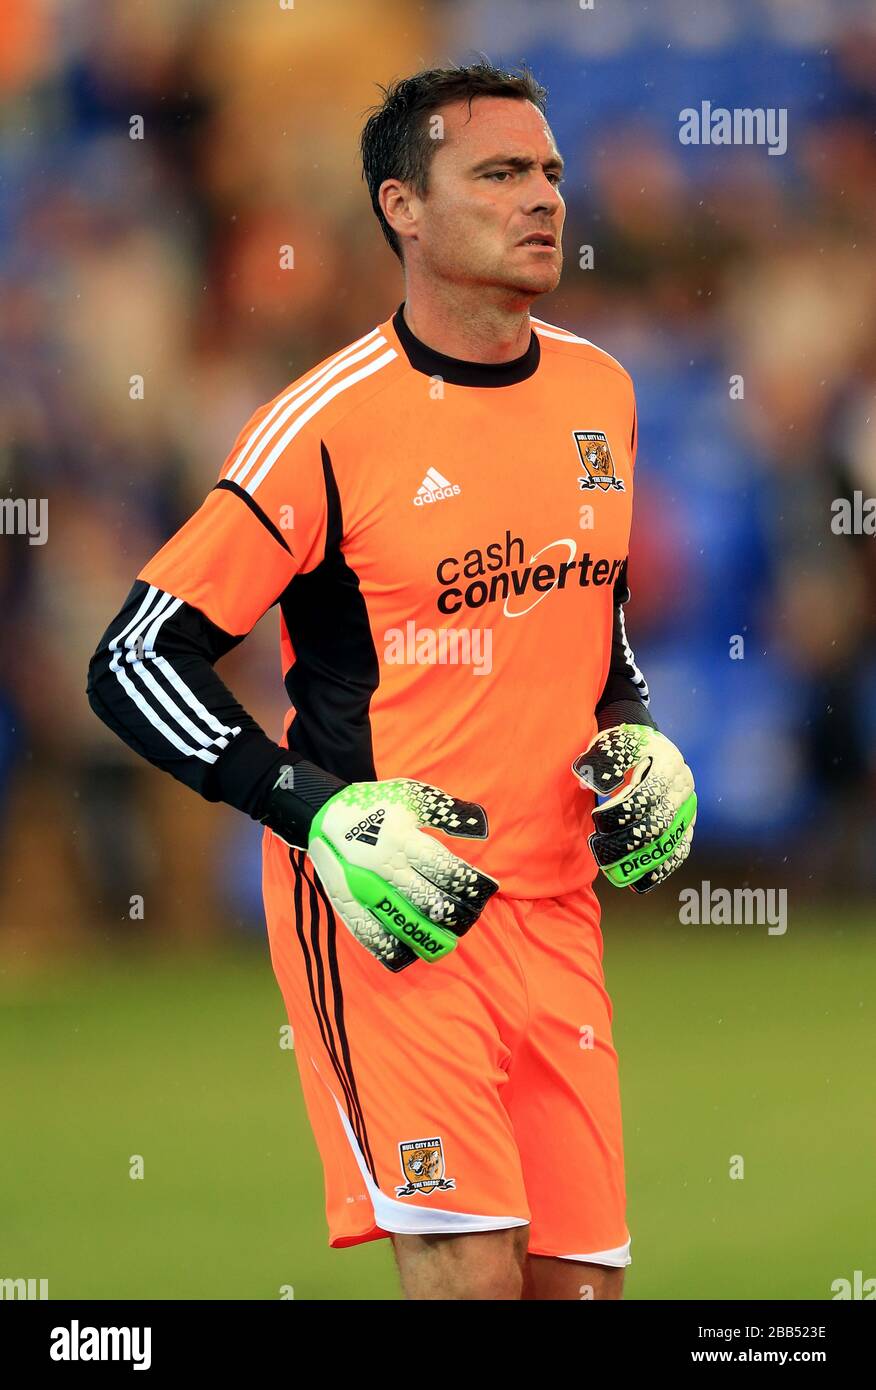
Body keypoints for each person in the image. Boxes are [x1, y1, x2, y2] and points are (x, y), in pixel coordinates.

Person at [87, 60, 696, 1301]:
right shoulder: (322, 423)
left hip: (557, 907)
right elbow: (134, 658)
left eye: (550, 174)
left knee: (577, 1286)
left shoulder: (603, 389)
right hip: (393, 912)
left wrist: (637, 729)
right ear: (401, 207)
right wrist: (310, 811)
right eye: (499, 174)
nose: (544, 200)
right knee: (469, 1274)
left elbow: (599, 613)